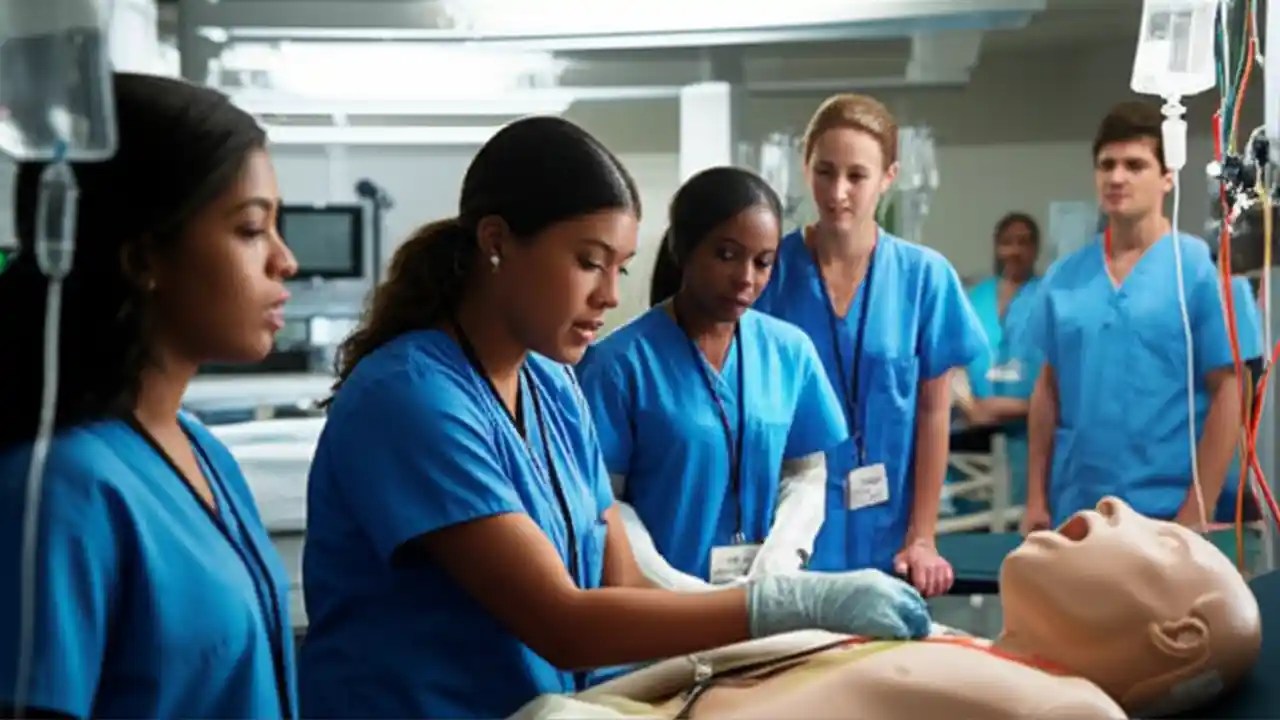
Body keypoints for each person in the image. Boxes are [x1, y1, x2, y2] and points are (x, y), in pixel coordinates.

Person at [297, 116, 933, 720]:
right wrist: (787, 605)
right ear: (496, 241)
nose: (609, 295)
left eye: (620, 268)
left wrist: (790, 639)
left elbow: (622, 580)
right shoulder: (410, 401)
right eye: (588, 262)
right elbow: (564, 624)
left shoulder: (553, 387)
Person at [0, 73, 299, 718]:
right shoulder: (58, 492)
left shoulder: (201, 452)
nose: (285, 261)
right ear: (143, 259)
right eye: (251, 231)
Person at [513, 496, 1262, 720]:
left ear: (1179, 635)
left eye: (1166, 544)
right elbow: (699, 638)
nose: (1115, 502)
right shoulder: (941, 641)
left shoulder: (1079, 713)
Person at [754, 93, 987, 593]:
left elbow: (932, 412)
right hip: (788, 538)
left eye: (857, 176)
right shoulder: (769, 274)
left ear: (889, 176)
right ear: (805, 167)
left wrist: (922, 537)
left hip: (891, 541)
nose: (838, 192)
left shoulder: (924, 278)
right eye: (825, 171)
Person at [575, 166, 847, 591]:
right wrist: (674, 588)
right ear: (684, 248)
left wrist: (779, 560)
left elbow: (806, 473)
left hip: (758, 602)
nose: (746, 278)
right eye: (726, 255)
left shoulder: (789, 352)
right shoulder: (618, 364)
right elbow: (606, 502)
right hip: (656, 612)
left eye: (763, 262)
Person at [1023, 101, 1242, 533]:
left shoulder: (1199, 272)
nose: (1117, 177)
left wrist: (1197, 511)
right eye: (1107, 164)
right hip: (1078, 511)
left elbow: (1230, 394)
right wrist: (1034, 499)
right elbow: (1048, 391)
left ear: (1167, 177)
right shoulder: (1065, 278)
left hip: (1167, 513)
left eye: (1135, 164)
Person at [953, 213, 1044, 509]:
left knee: (1019, 519)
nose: (1014, 251)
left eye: (1023, 242)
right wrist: (970, 406)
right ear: (996, 246)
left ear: (1035, 249)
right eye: (1007, 242)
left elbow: (1065, 367)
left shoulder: (1050, 298)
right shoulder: (973, 298)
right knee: (970, 521)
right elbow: (953, 358)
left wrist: (1025, 408)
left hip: (1029, 431)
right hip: (973, 428)